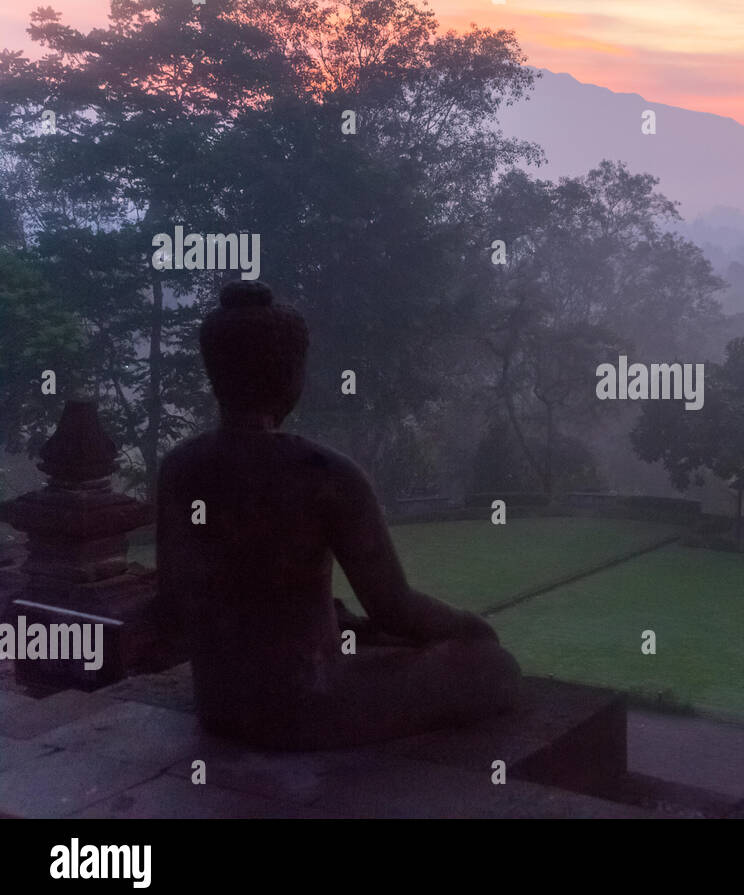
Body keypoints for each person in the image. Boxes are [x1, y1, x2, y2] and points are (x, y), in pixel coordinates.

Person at [156, 281, 521, 750]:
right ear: (290, 374)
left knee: (357, 630)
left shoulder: (180, 467)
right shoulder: (324, 473)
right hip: (308, 703)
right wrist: (471, 628)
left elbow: (172, 607)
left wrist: (330, 624)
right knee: (493, 667)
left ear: (215, 374)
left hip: (220, 703)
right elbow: (394, 606)